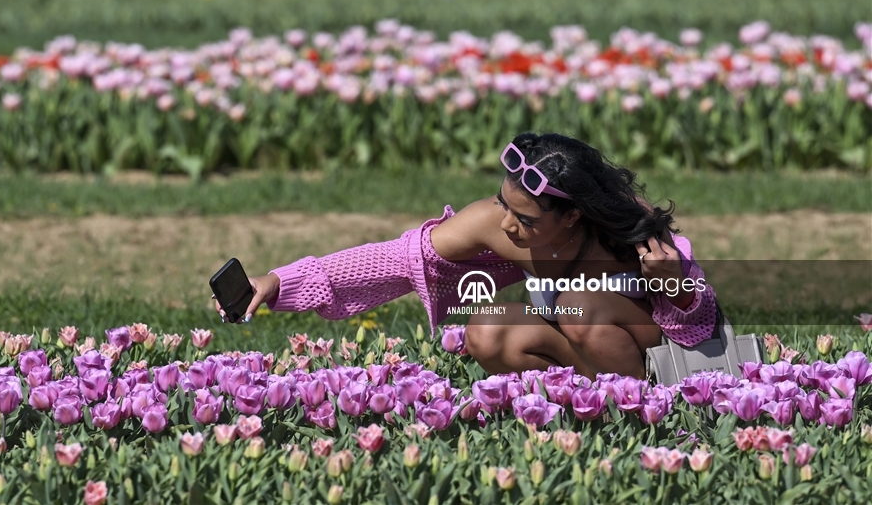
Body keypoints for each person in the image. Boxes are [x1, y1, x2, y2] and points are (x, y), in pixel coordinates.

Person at [213, 132, 718, 380]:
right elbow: (388, 263)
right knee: (488, 327)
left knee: (581, 303)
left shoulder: (631, 230)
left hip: (658, 356)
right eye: (504, 203)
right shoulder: (493, 226)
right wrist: (280, 283)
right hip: (584, 344)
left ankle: (641, 409)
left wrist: (675, 284)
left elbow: (699, 328)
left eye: (526, 220)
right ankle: (586, 401)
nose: (505, 224)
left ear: (573, 217)